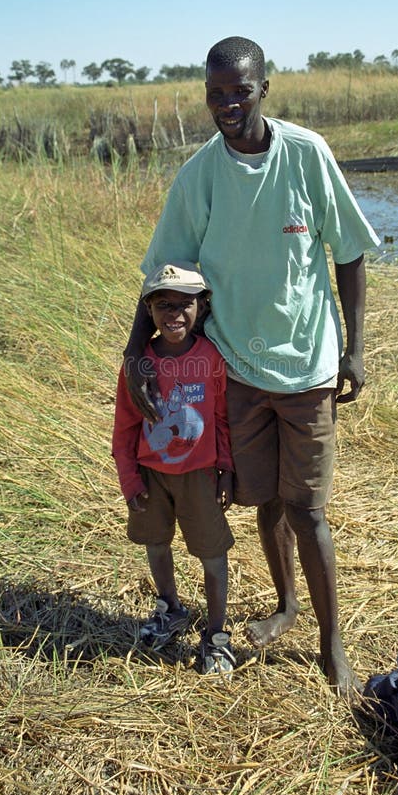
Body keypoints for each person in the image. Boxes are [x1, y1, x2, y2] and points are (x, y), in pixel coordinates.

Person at [123, 36, 380, 695]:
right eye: (216, 94)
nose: (228, 105)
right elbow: (164, 272)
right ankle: (286, 605)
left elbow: (349, 251)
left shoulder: (307, 154)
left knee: (307, 510)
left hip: (308, 366)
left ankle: (331, 645)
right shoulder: (201, 175)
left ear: (264, 88)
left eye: (240, 91)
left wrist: (353, 348)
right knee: (265, 500)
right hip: (236, 368)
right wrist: (134, 352)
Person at [112, 260, 236, 675]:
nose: (174, 314)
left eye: (185, 303)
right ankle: (170, 608)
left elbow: (221, 418)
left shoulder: (211, 358)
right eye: (163, 304)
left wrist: (225, 467)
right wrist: (129, 480)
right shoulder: (139, 365)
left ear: (202, 306)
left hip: (200, 477)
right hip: (151, 476)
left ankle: (216, 634)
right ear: (148, 309)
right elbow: (125, 428)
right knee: (156, 544)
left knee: (212, 555)